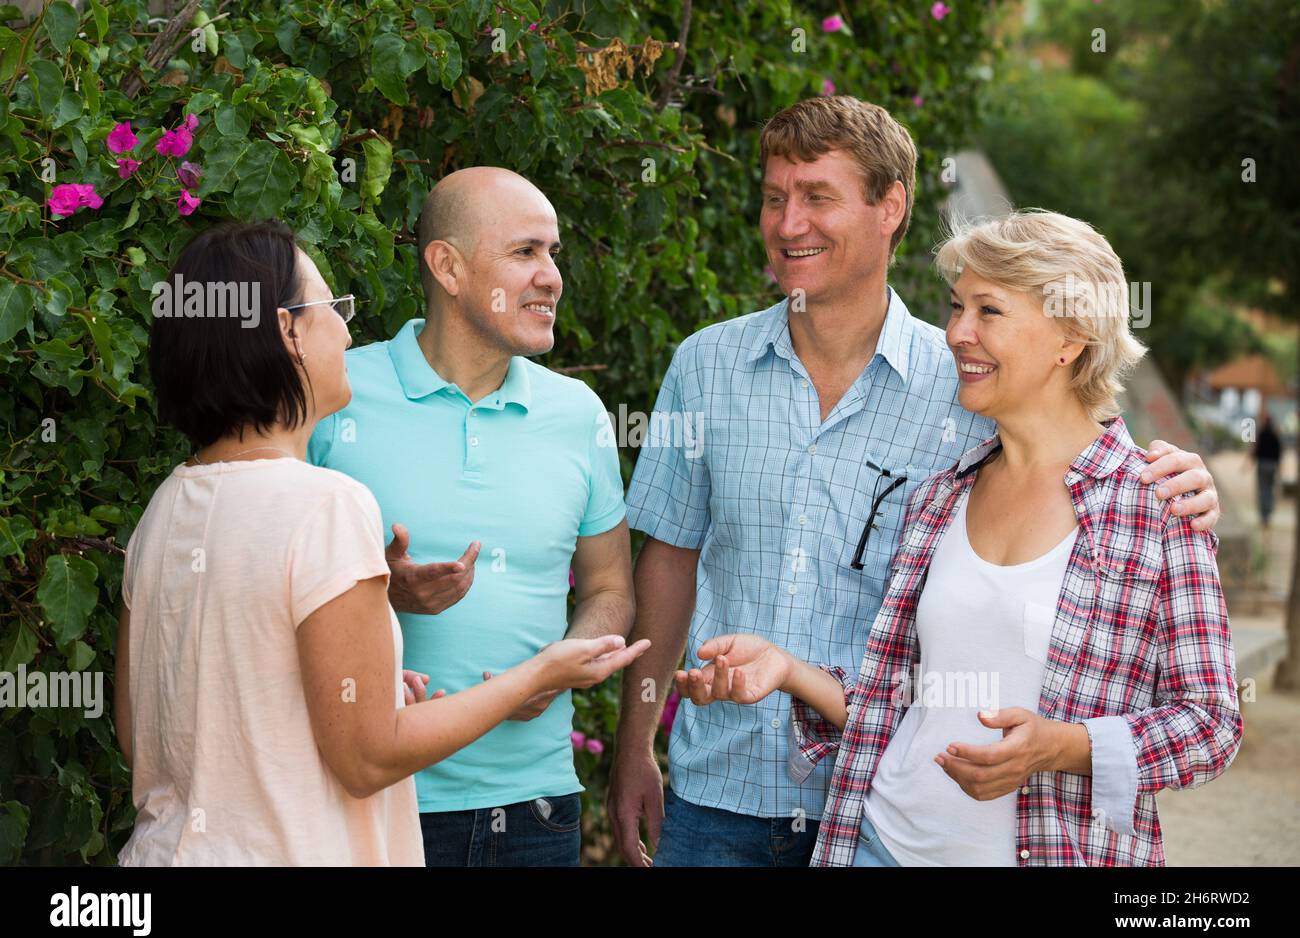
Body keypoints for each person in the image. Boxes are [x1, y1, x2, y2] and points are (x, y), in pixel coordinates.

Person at [609, 96, 1224, 868]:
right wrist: (634, 743)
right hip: (727, 791)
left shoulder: (972, 386)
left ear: (890, 207)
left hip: (866, 797)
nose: (788, 222)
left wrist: (1171, 477)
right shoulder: (706, 366)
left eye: (818, 197)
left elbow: (1076, 439)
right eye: (774, 198)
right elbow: (669, 559)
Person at [116, 220, 647, 866]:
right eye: (332, 309)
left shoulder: (166, 509)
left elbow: (144, 734)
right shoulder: (326, 505)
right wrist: (539, 674)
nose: (346, 329)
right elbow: (369, 756)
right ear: (287, 332)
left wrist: (370, 695)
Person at [308, 168, 636, 866]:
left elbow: (611, 592)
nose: (551, 275)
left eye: (553, 254)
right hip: (376, 801)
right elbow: (262, 586)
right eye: (525, 252)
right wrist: (380, 591)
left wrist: (551, 669)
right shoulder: (335, 393)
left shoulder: (577, 415)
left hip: (537, 811)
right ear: (448, 266)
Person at [1253, 410, 1282, 528]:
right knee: (1269, 491)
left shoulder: (1261, 434)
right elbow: (1280, 453)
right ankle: (1268, 516)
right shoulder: (1276, 435)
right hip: (1272, 466)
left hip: (1262, 465)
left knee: (1262, 490)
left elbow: (1256, 450)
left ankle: (1263, 516)